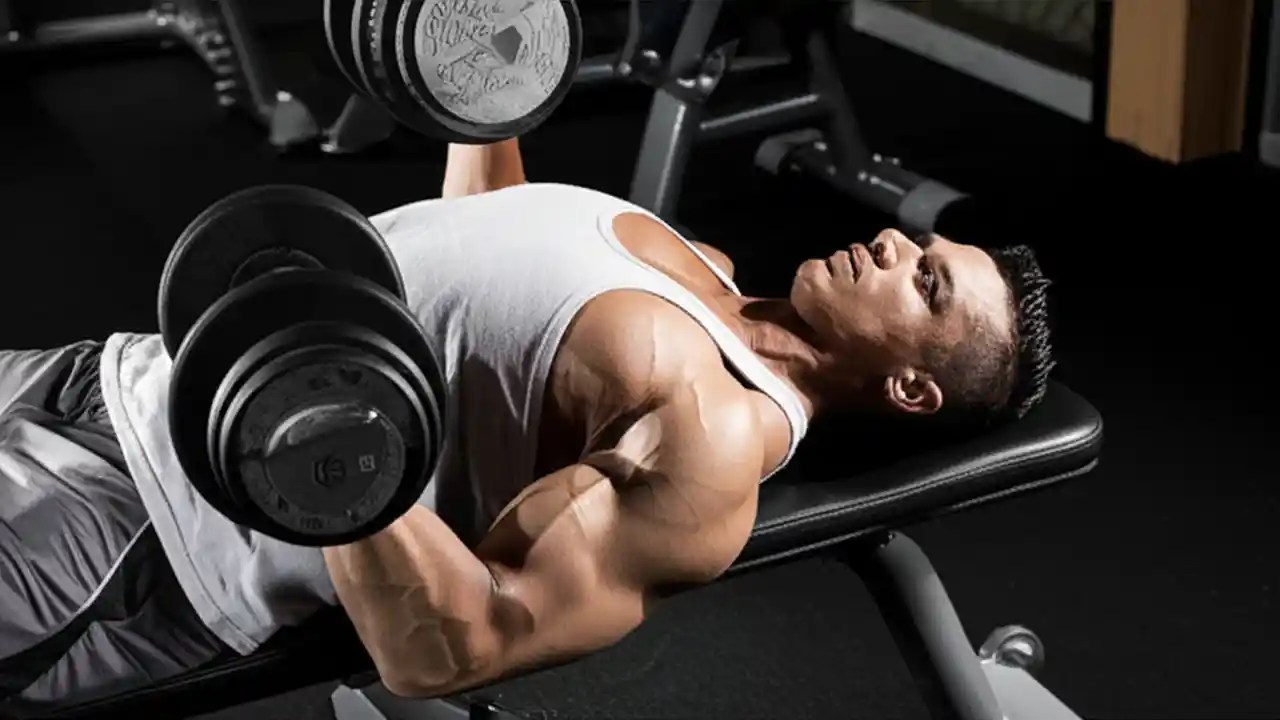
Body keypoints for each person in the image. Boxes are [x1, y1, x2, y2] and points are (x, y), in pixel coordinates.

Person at [0, 138, 1054, 712]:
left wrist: (334, 453)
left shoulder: (711, 436)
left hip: (147, 534)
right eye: (918, 248)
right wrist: (482, 106)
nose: (890, 244)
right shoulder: (709, 269)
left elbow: (461, 645)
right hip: (104, 374)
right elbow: (485, 242)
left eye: (925, 284)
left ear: (911, 389)